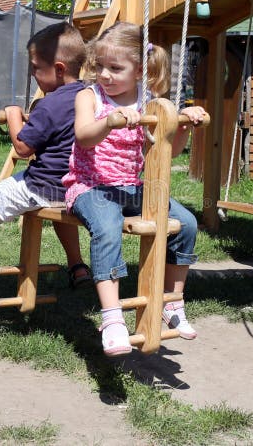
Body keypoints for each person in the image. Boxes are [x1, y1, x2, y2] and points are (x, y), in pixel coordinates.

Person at [62, 22, 207, 356]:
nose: (105, 75)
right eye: (100, 66)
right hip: (90, 187)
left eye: (115, 68)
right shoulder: (89, 96)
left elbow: (168, 150)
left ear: (140, 69)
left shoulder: (149, 103)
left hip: (131, 187)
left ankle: (172, 302)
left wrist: (183, 123)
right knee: (107, 227)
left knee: (186, 223)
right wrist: (108, 121)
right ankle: (113, 318)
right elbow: (84, 136)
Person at [0, 22, 90, 300]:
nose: (33, 74)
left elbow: (23, 147)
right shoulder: (90, 97)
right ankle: (78, 266)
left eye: (36, 68)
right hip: (73, 187)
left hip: (43, 185)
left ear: (59, 69)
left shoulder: (51, 104)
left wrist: (13, 115)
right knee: (61, 215)